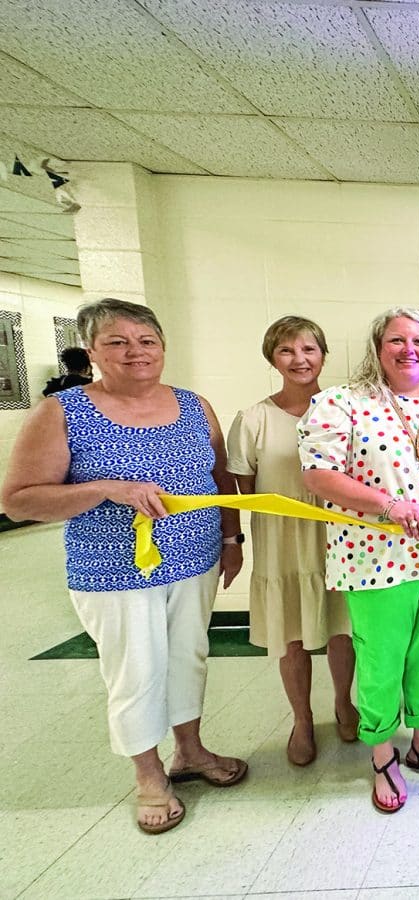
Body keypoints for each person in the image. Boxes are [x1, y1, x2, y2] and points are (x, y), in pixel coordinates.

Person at [1, 297, 248, 835]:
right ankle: (148, 776)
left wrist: (232, 539)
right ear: (92, 351)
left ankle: (191, 752)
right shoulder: (62, 411)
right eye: (117, 342)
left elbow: (220, 477)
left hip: (195, 559)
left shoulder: (193, 405)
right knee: (136, 671)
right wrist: (104, 489)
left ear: (162, 348)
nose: (135, 352)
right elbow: (17, 500)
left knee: (189, 658)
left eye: (146, 341)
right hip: (113, 571)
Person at [298, 306, 419, 813]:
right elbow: (318, 474)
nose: (409, 350)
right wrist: (387, 505)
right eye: (396, 341)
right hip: (374, 559)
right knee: (381, 662)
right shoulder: (341, 403)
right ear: (377, 347)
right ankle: (383, 754)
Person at [227, 316, 357, 767]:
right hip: (283, 541)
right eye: (287, 351)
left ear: (323, 354)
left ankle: (344, 701)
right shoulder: (253, 419)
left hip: (342, 536)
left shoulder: (346, 408)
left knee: (343, 631)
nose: (299, 359)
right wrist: (235, 540)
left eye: (309, 349)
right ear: (272, 359)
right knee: (292, 637)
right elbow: (240, 486)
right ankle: (301, 719)